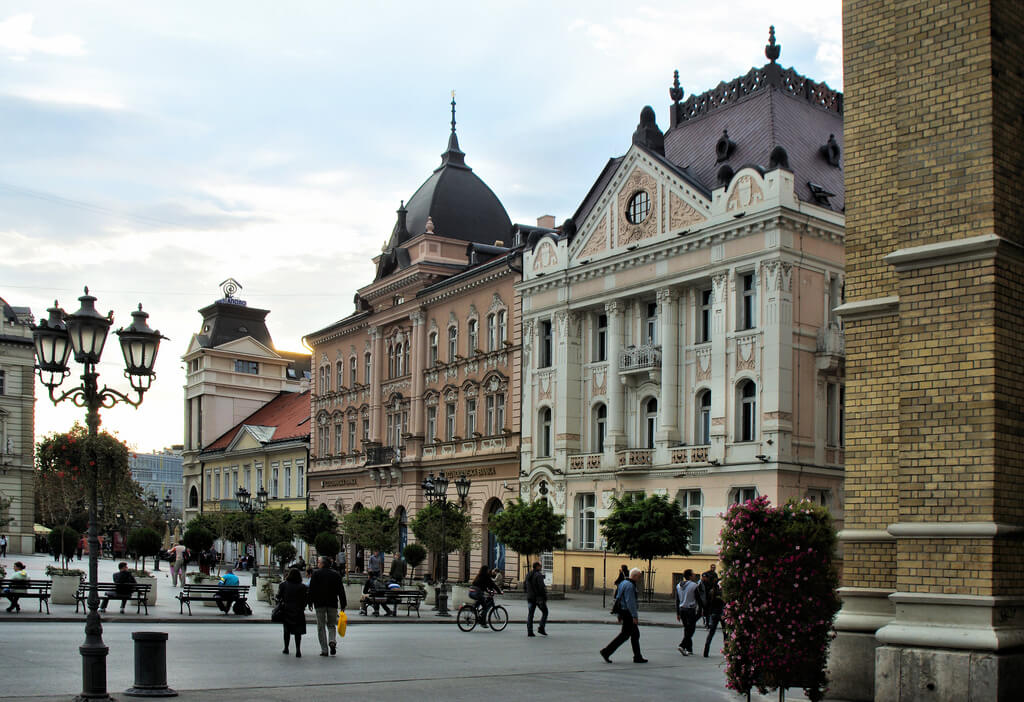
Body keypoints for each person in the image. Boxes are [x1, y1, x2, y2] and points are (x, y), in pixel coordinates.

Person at [600, 567, 646, 663]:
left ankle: (637, 656)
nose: (640, 579)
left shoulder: (623, 583)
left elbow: (618, 598)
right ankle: (606, 651)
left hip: (623, 612)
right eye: (639, 577)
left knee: (634, 634)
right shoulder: (630, 586)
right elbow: (630, 602)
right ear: (634, 576)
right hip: (628, 613)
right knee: (624, 635)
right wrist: (634, 616)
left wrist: (619, 614)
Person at [308, 556, 346, 657]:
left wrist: (310, 602)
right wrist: (343, 604)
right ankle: (332, 641)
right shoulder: (336, 574)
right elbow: (341, 590)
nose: (318, 564)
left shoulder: (316, 574)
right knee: (331, 625)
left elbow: (311, 589)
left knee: (321, 626)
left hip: (319, 604)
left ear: (323, 564)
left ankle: (324, 650)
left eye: (319, 562)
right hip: (332, 603)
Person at [277, 568, 308, 657]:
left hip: (286, 609)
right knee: (298, 631)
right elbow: (305, 599)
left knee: (286, 630)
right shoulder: (303, 586)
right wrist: (303, 607)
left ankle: (286, 648)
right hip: (298, 610)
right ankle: (298, 650)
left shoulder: (283, 585)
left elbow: (279, 596)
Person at [676, 569, 699, 656]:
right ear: (690, 576)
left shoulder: (678, 585)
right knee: (691, 629)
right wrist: (703, 609)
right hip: (690, 610)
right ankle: (682, 645)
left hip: (682, 610)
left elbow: (677, 600)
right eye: (693, 574)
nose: (695, 575)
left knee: (687, 628)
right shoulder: (694, 586)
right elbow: (698, 598)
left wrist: (677, 613)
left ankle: (689, 649)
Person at [525, 561, 548, 637]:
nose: (541, 567)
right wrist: (544, 596)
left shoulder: (528, 574)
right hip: (538, 598)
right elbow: (541, 588)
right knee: (545, 612)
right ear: (537, 567)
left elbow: (525, 586)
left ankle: (530, 631)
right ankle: (541, 627)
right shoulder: (538, 575)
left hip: (530, 597)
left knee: (530, 614)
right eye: (540, 566)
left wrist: (528, 593)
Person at [703, 580, 725, 658]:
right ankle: (727, 651)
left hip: (713, 614)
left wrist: (708, 615)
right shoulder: (722, 593)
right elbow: (723, 605)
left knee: (711, 633)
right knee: (725, 633)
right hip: (722, 614)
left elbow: (708, 604)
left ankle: (706, 651)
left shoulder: (711, 592)